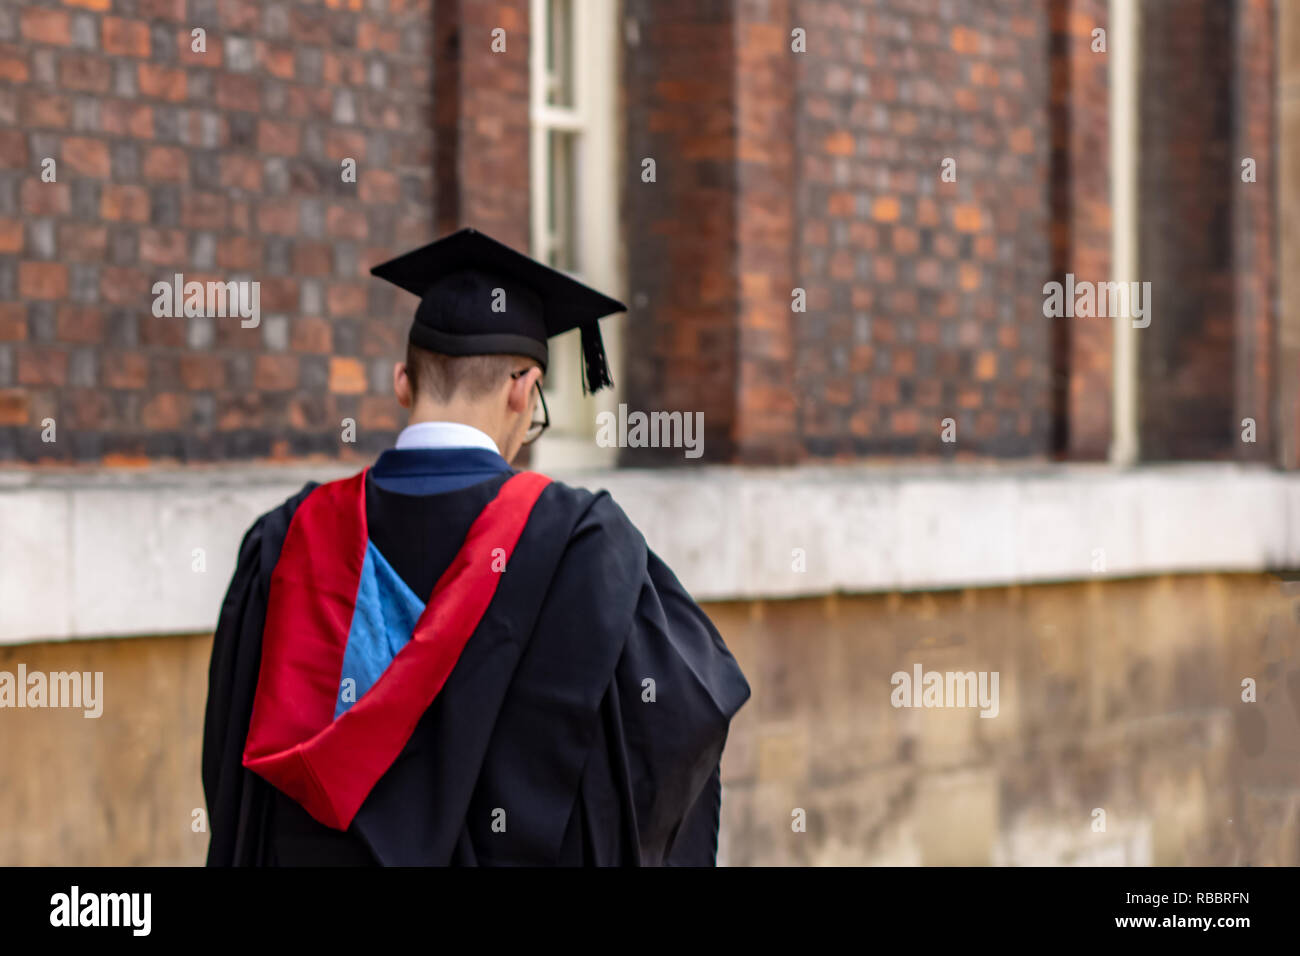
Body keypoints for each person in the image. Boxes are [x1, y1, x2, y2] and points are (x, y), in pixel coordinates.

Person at [202, 227, 751, 865]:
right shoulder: (584, 547)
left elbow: (233, 783)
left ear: (405, 383)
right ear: (523, 388)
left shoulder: (286, 542)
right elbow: (674, 735)